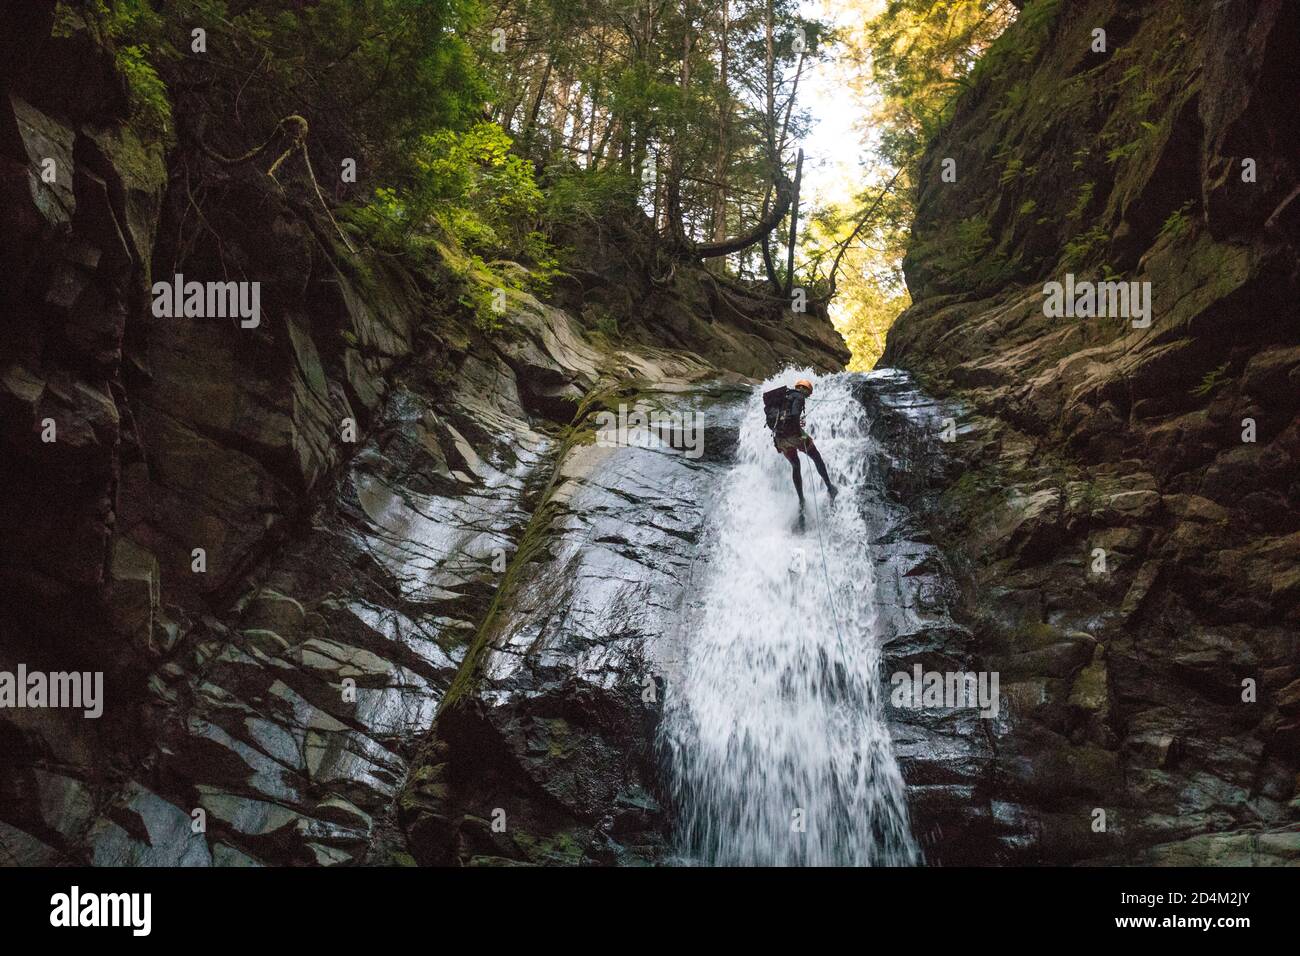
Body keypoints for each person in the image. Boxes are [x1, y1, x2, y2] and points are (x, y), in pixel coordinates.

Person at [763, 378, 837, 508]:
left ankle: (801, 499)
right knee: (816, 457)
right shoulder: (799, 397)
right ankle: (830, 487)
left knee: (795, 465)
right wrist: (798, 433)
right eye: (809, 392)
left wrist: (795, 424)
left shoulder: (783, 398)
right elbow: (795, 415)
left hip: (780, 439)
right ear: (804, 389)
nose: (809, 395)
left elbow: (785, 417)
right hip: (794, 436)